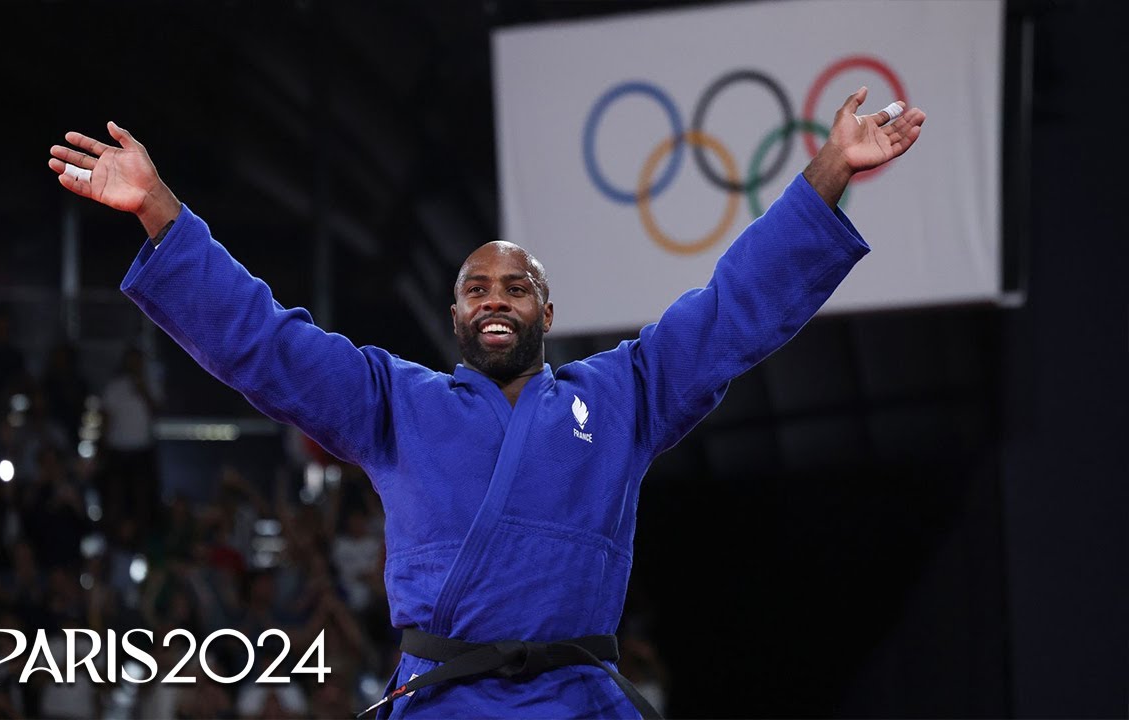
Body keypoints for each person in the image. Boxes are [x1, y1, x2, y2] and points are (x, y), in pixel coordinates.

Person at [48, 86, 925, 718]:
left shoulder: (625, 393)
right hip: (445, 703)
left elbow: (732, 312)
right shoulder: (393, 400)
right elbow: (267, 345)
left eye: (516, 286)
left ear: (549, 312)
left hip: (578, 699)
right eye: (477, 289)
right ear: (457, 315)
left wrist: (827, 171)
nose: (496, 297)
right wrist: (162, 213)